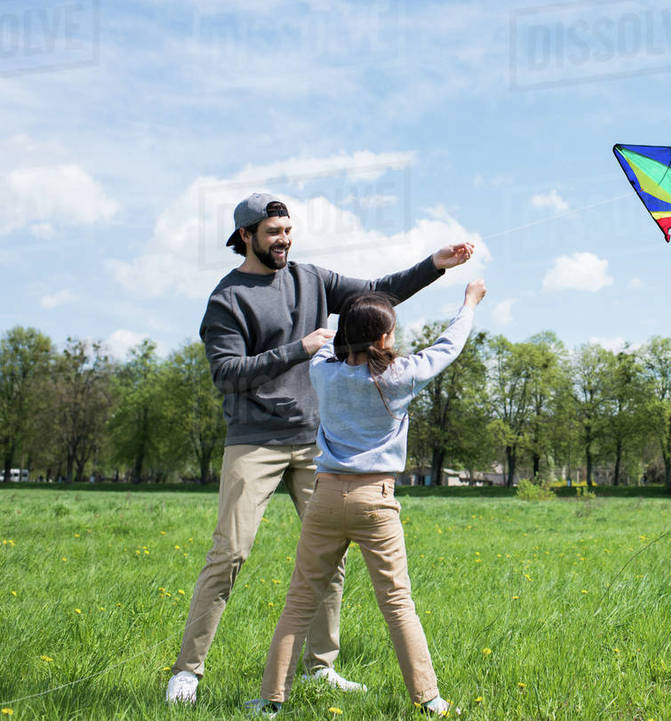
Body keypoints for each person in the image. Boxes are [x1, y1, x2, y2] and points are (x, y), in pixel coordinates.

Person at [166, 192, 475, 705]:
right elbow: (226, 375)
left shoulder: (311, 278)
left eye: (287, 230)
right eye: (273, 233)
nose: (284, 240)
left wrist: (434, 266)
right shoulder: (227, 299)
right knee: (230, 553)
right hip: (255, 440)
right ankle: (187, 671)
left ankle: (319, 668)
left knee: (329, 558)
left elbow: (376, 294)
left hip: (315, 444)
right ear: (245, 236)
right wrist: (298, 349)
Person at [246, 280, 486, 717]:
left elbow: (321, 345)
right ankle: (429, 699)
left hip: (324, 497)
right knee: (397, 603)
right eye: (391, 332)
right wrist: (469, 302)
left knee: (299, 601)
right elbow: (449, 345)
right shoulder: (401, 375)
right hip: (376, 500)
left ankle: (269, 701)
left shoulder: (323, 371)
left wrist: (327, 320)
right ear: (382, 340)